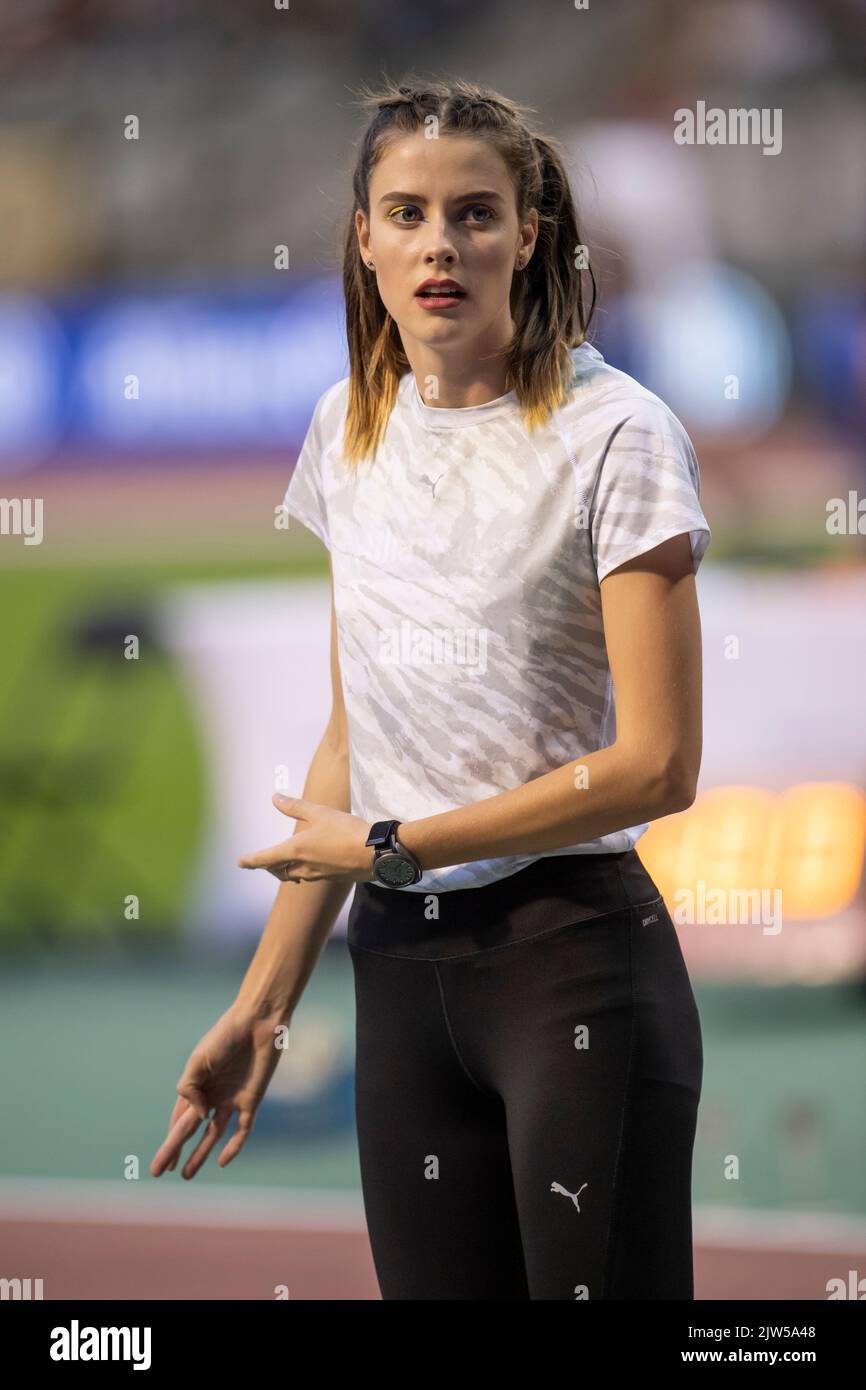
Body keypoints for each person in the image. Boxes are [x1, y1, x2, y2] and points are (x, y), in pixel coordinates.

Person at [151, 76, 710, 1302]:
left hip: (570, 965)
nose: (439, 244)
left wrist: (401, 846)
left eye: (474, 212)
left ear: (529, 233)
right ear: (362, 237)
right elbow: (355, 745)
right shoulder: (347, 430)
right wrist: (262, 1008)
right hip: (396, 977)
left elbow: (657, 769)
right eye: (405, 213)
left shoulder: (615, 435)